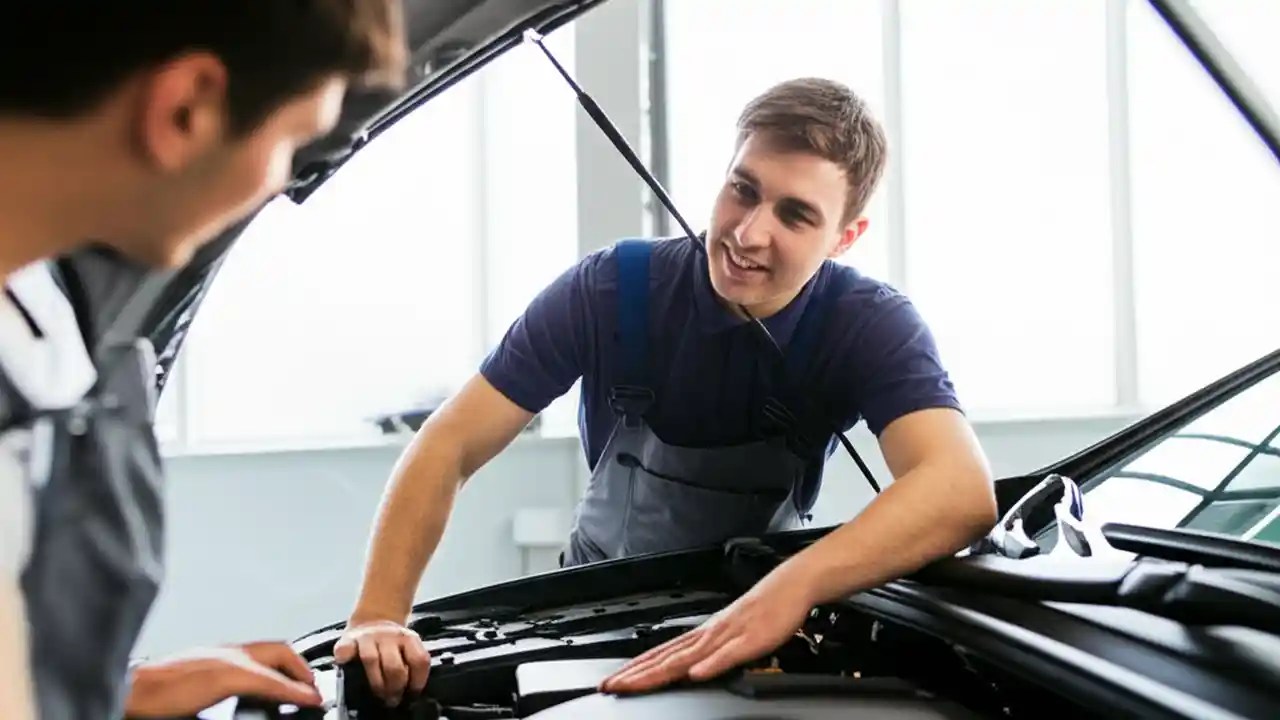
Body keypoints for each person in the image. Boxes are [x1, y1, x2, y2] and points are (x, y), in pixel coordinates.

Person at [335, 76, 998, 705]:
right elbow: (449, 444)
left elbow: (959, 489)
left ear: (844, 238)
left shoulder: (867, 323)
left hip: (754, 634)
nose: (747, 233)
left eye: (795, 216)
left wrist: (794, 589)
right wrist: (376, 615)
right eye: (743, 190)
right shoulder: (609, 291)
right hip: (585, 618)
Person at [0, 3, 407, 718]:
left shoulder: (39, 316)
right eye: (293, 142)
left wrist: (118, 691)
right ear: (186, 110)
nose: (281, 182)